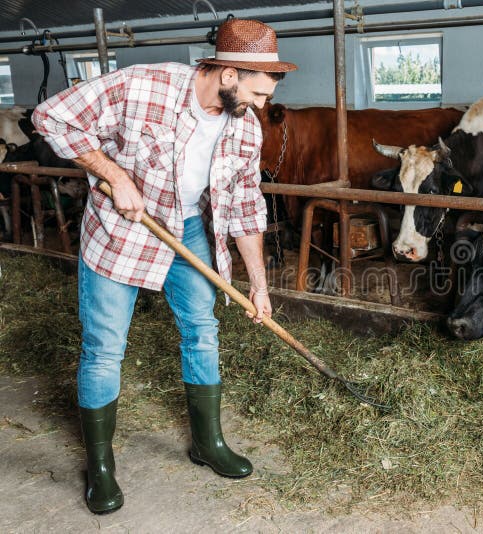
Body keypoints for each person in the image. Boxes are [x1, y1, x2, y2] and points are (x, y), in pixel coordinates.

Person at [33, 19, 297, 515]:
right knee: (104, 348)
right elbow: (51, 117)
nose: (262, 106)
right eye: (258, 93)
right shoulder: (141, 86)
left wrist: (260, 288)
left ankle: (208, 443)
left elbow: (244, 207)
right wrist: (113, 174)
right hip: (121, 231)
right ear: (226, 74)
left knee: (202, 327)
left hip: (189, 229)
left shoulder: (245, 128)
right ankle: (101, 467)